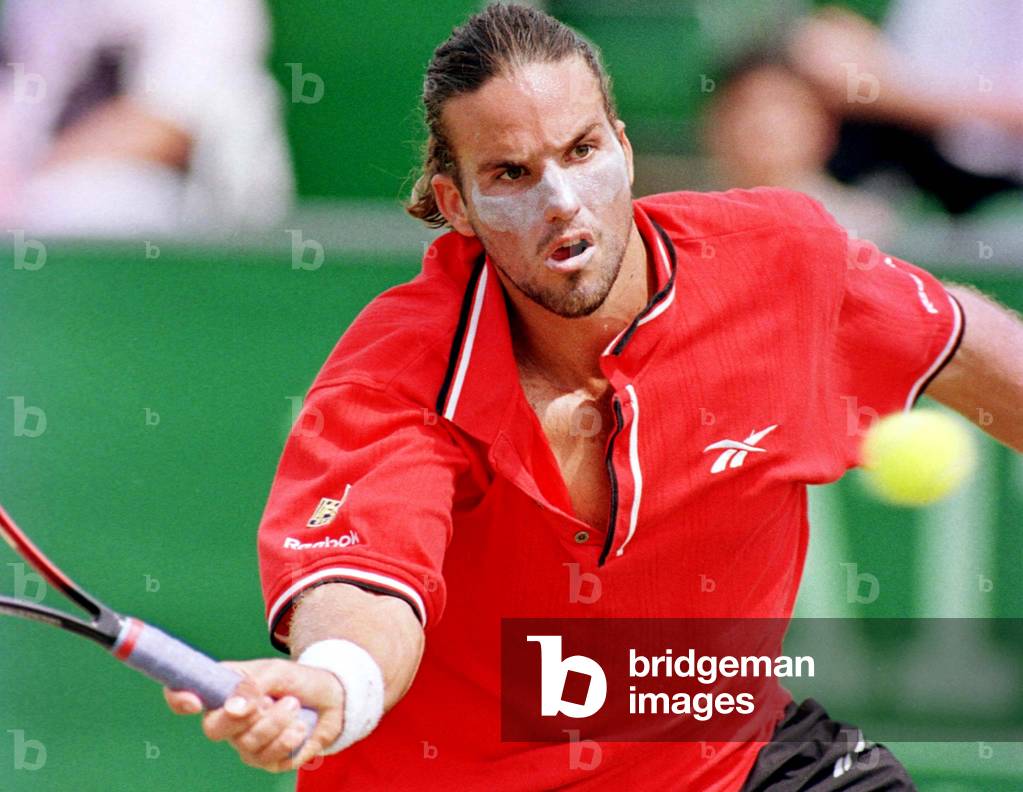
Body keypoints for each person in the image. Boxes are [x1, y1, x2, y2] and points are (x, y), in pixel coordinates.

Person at [163, 4, 1023, 790]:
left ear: (623, 144)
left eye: (581, 152)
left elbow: (966, 346)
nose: (563, 203)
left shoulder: (780, 261)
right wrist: (339, 680)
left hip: (725, 759)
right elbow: (369, 590)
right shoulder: (394, 376)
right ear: (453, 205)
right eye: (511, 173)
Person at [0, 0, 292, 235]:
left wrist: (21, 187)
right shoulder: (34, 8)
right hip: (32, 188)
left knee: (90, 199)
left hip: (200, 216)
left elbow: (164, 129)